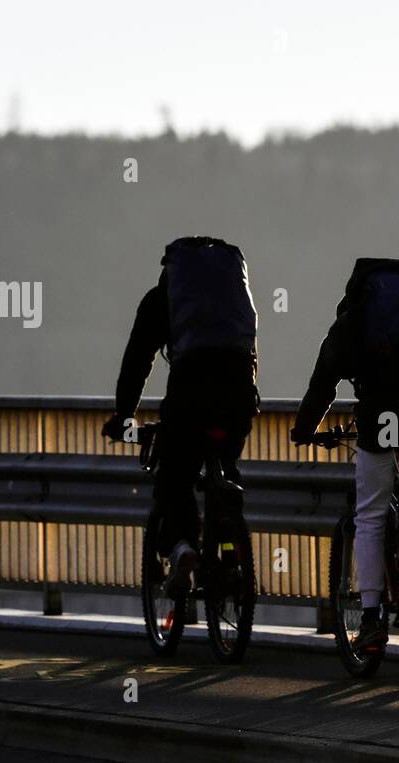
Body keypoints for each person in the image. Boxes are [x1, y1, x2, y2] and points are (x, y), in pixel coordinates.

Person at [290, 257, 399, 649]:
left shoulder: (355, 318)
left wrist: (304, 430)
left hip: (381, 415)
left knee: (369, 515)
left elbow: (324, 383)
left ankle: (371, 618)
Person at [102, 236, 260, 596]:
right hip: (237, 397)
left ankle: (183, 548)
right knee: (226, 467)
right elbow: (249, 350)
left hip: (190, 398)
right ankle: (230, 554)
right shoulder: (236, 299)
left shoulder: (162, 298)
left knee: (175, 474)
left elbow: (137, 362)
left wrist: (123, 416)